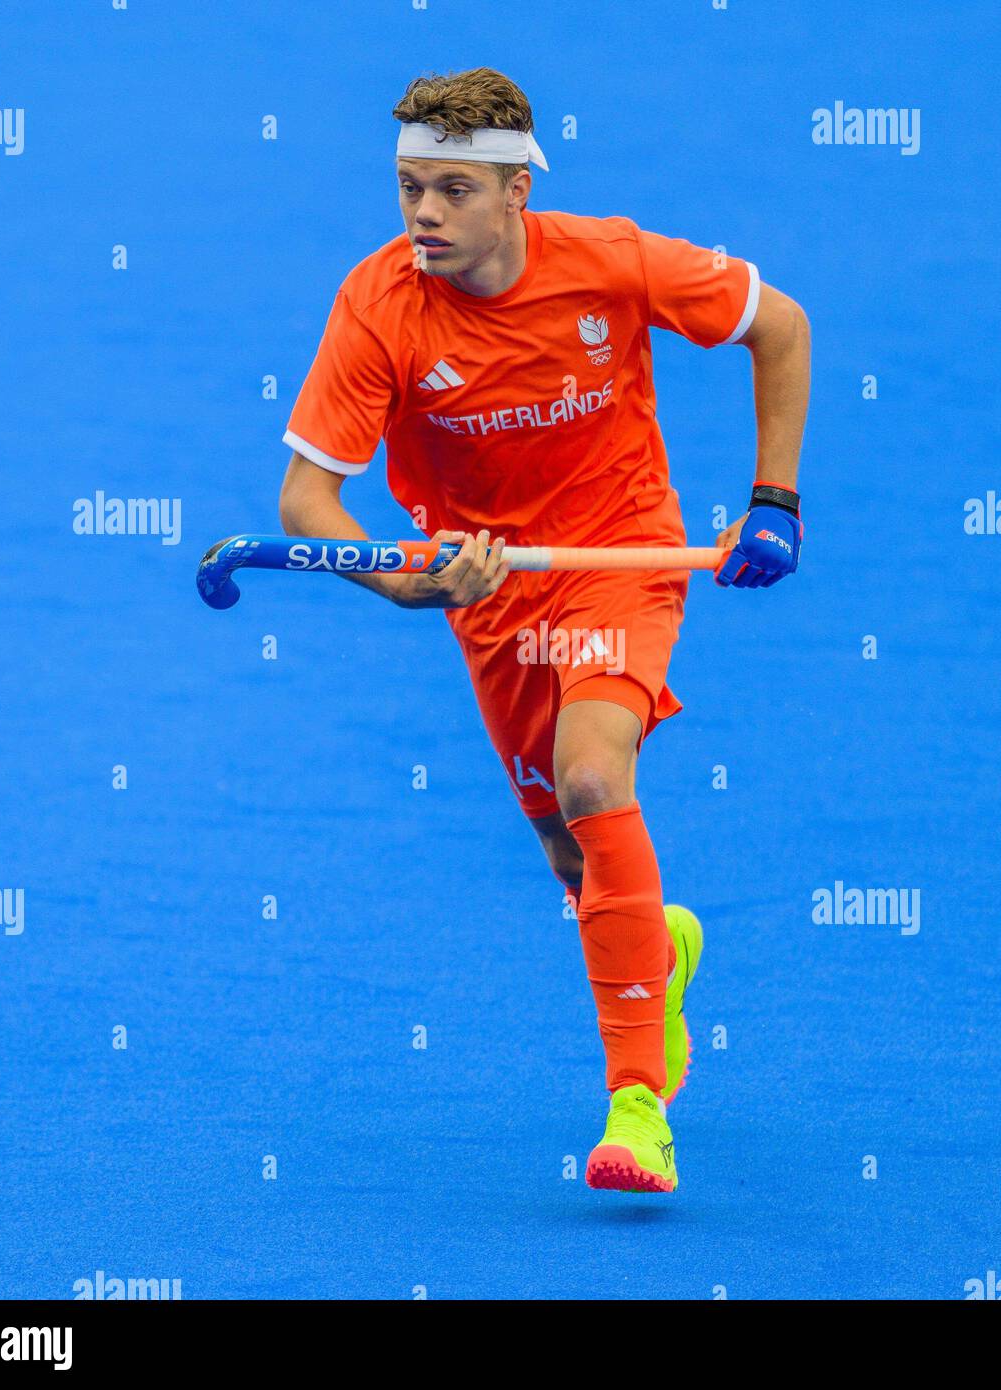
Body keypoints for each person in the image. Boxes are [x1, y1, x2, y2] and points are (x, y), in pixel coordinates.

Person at [278, 67, 809, 1193]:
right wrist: (398, 577)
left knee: (590, 774)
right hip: (490, 594)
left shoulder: (609, 260)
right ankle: (653, 951)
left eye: (454, 191)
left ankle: (635, 1109)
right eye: (411, 187)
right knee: (574, 860)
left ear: (518, 189)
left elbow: (782, 327)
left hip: (619, 554)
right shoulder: (378, 304)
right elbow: (309, 504)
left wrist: (775, 501)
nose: (423, 214)